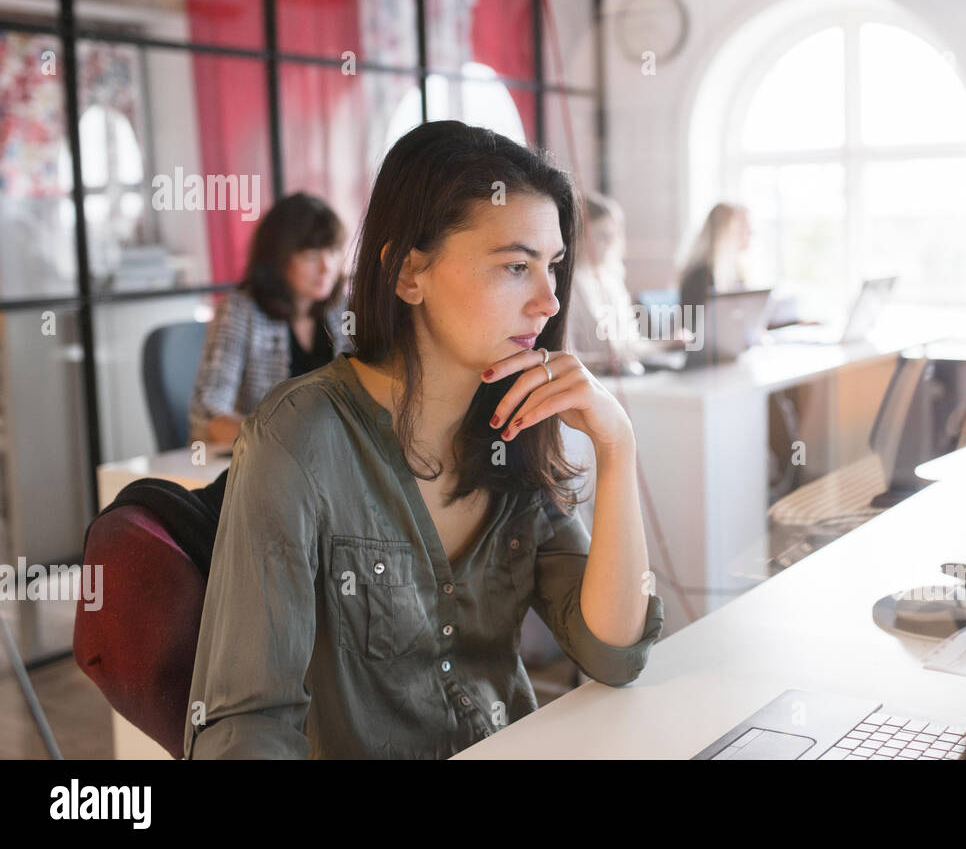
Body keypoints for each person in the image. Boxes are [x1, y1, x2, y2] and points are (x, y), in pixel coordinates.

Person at [184, 120, 664, 759]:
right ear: (409, 274)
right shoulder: (300, 436)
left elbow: (612, 650)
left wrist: (618, 446)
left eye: (553, 266)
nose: (550, 302)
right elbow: (247, 727)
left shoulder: (511, 429)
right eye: (516, 266)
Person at [188, 192, 349, 445]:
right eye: (310, 255)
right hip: (265, 466)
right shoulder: (240, 310)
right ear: (278, 258)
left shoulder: (344, 310)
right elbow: (208, 415)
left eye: (333, 252)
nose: (326, 267)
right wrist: (277, 441)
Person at [566, 191, 684, 375]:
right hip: (594, 383)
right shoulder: (568, 286)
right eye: (601, 236)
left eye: (613, 235)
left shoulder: (612, 281)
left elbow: (630, 346)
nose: (610, 243)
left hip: (625, 378)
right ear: (578, 237)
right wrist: (603, 362)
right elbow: (565, 357)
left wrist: (666, 343)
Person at [678, 201, 753, 369]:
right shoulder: (700, 276)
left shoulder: (735, 273)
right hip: (704, 366)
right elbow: (697, 333)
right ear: (727, 232)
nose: (750, 234)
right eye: (744, 229)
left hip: (727, 360)